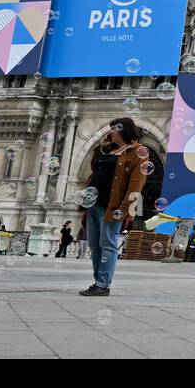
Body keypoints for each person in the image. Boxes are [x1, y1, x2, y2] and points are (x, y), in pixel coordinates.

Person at [79, 117, 149, 296]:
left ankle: (103, 284)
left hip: (112, 206)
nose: (110, 131)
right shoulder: (109, 150)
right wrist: (100, 147)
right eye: (110, 129)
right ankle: (97, 282)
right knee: (94, 245)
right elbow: (94, 166)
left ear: (125, 130)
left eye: (114, 129)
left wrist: (125, 209)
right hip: (94, 203)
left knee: (108, 244)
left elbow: (136, 185)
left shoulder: (138, 152)